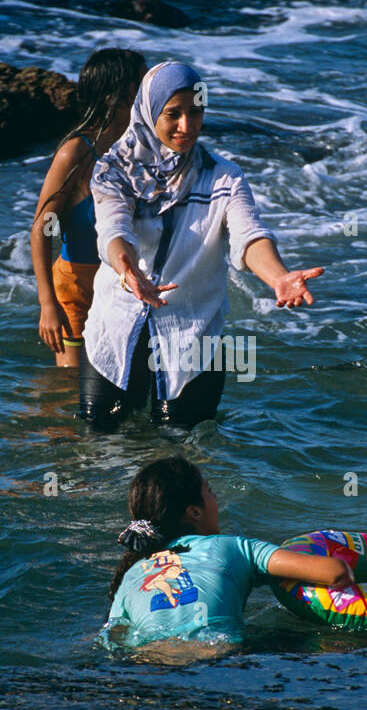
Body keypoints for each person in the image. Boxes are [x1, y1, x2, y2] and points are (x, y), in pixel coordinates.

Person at [80, 59, 325, 428]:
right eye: (173, 114)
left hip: (194, 337)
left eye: (196, 113)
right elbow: (114, 228)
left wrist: (278, 278)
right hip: (114, 329)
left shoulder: (223, 176)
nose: (187, 126)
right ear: (149, 113)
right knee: (98, 441)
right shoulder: (114, 171)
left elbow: (249, 236)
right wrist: (127, 269)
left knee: (187, 452)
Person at [105, 456, 352, 647]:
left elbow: (113, 636)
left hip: (146, 666)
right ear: (195, 512)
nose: (216, 499)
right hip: (215, 659)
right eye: (210, 492)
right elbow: (336, 572)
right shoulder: (235, 546)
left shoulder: (131, 572)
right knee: (326, 644)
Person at [30, 49, 147, 367]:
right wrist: (47, 305)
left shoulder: (139, 149)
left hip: (125, 287)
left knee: (125, 389)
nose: (150, 90)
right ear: (115, 97)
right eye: (141, 83)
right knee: (70, 391)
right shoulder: (76, 153)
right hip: (78, 289)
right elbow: (41, 230)